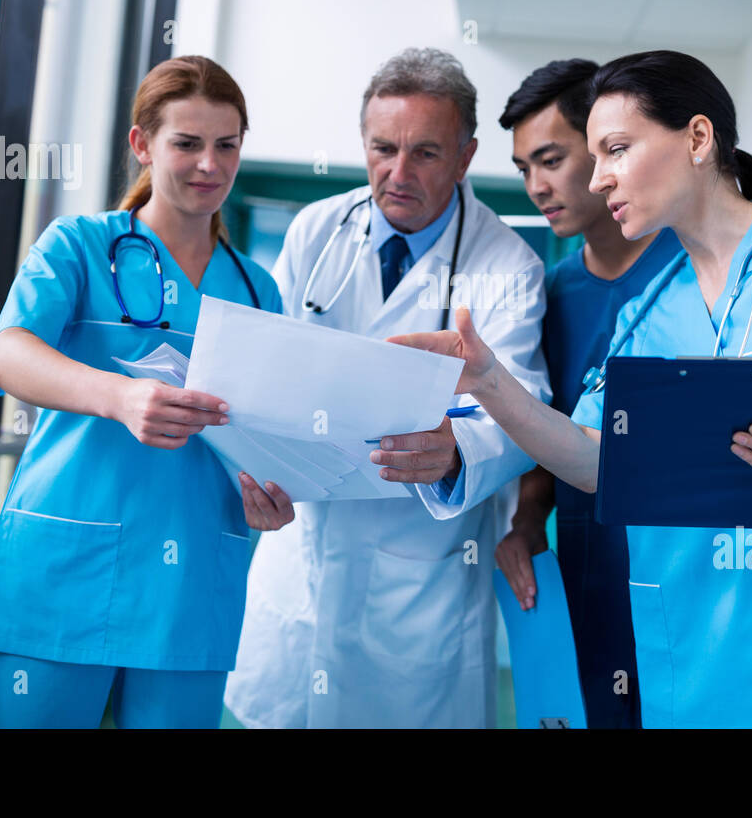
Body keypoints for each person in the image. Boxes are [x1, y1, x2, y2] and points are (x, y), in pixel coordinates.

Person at [390, 49, 752, 728]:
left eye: (615, 149)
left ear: (697, 138)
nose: (599, 176)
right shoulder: (644, 315)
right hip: (696, 674)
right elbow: (591, 459)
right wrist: (491, 383)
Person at [224, 47, 549, 728]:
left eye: (426, 153)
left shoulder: (507, 265)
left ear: (465, 157)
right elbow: (270, 375)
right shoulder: (318, 229)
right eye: (382, 149)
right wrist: (255, 466)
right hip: (305, 546)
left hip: (420, 579)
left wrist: (456, 451)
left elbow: (525, 414)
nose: (397, 174)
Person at [0, 56, 286, 728]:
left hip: (191, 586)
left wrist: (273, 493)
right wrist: (119, 396)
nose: (210, 164)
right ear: (142, 145)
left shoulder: (259, 291)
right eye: (187, 143)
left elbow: (261, 437)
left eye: (226, 145)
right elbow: (8, 355)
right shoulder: (80, 246)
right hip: (64, 574)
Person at [495, 59, 679, 728]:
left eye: (550, 159)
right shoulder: (554, 294)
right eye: (523, 169)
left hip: (688, 578)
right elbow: (548, 435)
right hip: (585, 577)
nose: (537, 186)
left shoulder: (695, 271)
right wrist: (523, 524)